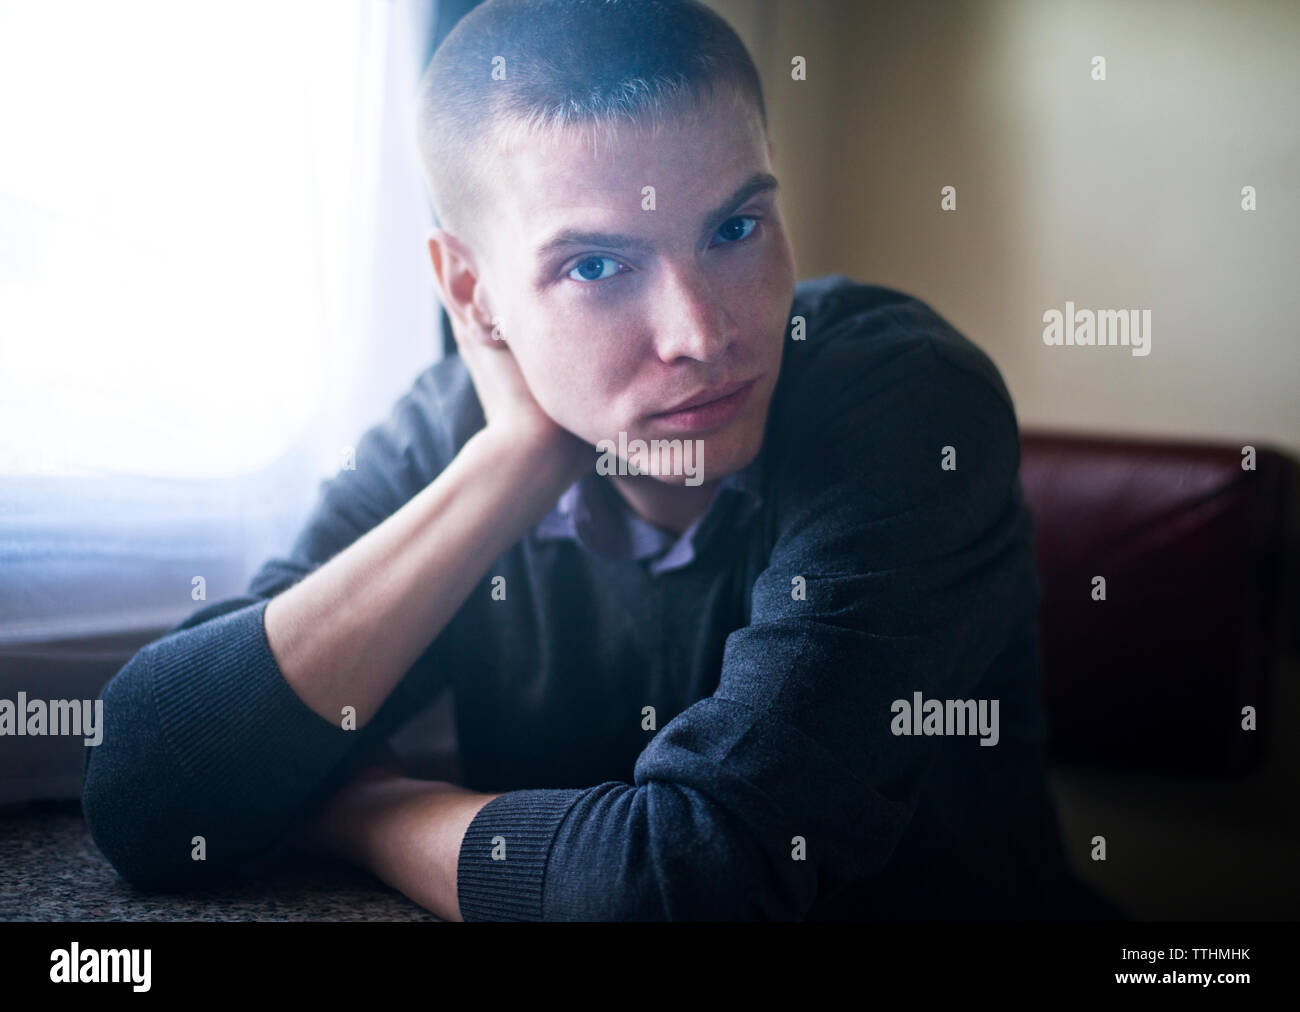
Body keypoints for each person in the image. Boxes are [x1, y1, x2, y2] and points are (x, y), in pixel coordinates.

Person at [82, 0, 1121, 922]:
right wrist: (519, 458)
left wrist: (359, 808)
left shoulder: (906, 405)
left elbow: (692, 882)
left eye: (735, 226)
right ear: (472, 291)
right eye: (593, 263)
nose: (700, 333)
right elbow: (146, 790)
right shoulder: (451, 433)